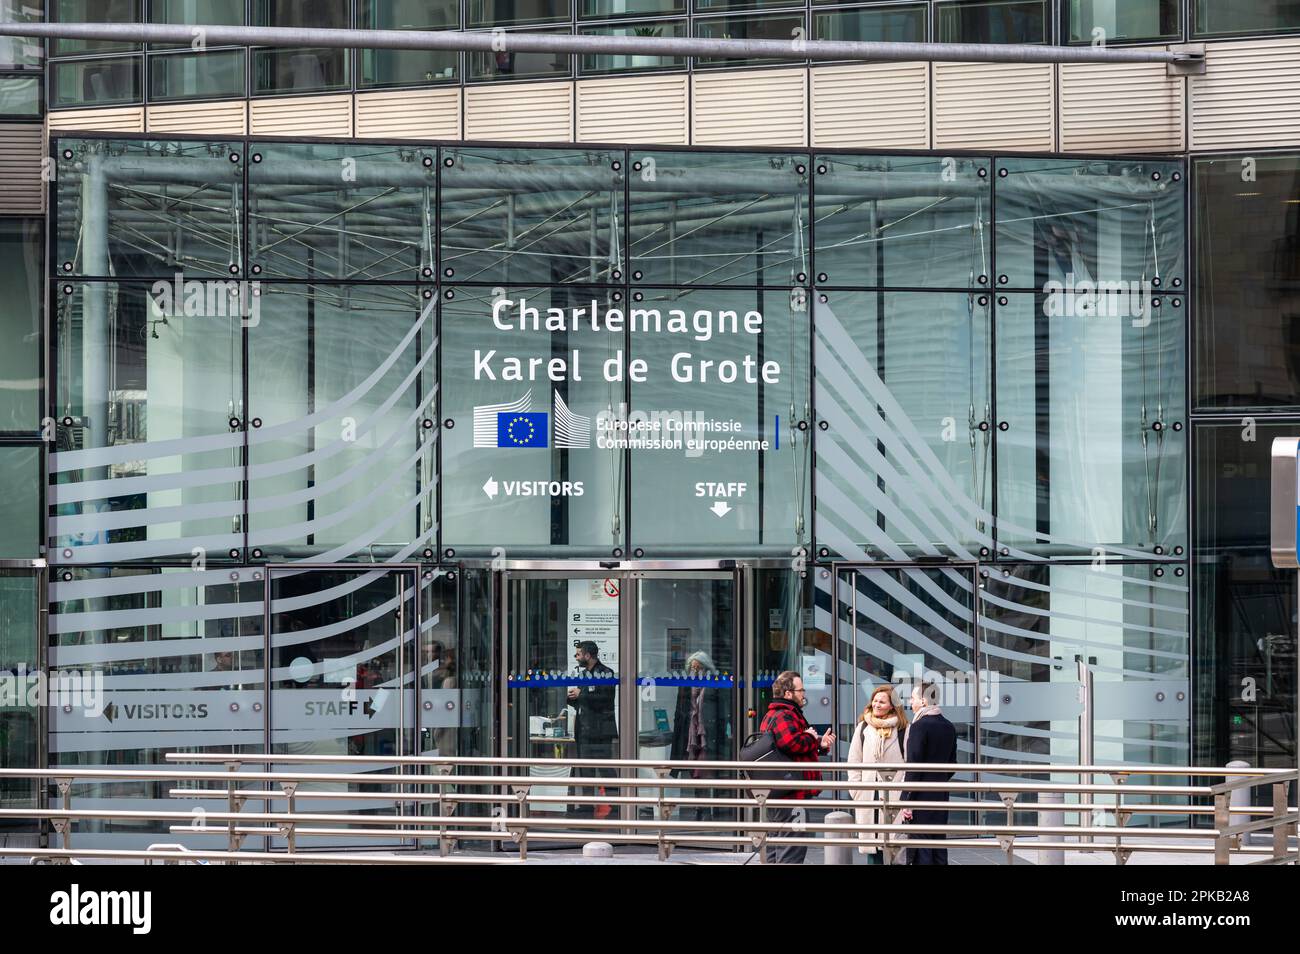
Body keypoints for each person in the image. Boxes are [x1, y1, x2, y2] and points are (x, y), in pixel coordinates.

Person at [758, 670, 835, 864]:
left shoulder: (777, 713)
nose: (804, 694)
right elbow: (792, 743)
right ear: (788, 693)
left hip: (781, 791)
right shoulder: (784, 715)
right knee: (791, 849)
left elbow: (794, 745)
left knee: (778, 846)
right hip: (792, 793)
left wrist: (819, 743)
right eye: (801, 690)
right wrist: (810, 737)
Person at [847, 684, 908, 864]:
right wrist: (856, 790)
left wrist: (903, 791)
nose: (877, 704)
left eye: (882, 701)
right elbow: (854, 760)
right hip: (868, 793)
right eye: (875, 700)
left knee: (894, 847)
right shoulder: (863, 727)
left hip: (894, 794)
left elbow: (909, 763)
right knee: (872, 847)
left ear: (892, 705)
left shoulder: (903, 729)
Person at [899, 681, 958, 865]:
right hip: (940, 793)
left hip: (920, 796)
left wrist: (905, 799)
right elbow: (952, 764)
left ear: (923, 701)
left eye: (913, 698)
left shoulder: (918, 726)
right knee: (938, 844)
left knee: (921, 847)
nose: (910, 701)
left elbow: (913, 766)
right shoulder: (948, 726)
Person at [670, 651, 730, 819]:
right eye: (692, 667)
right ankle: (697, 808)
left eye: (699, 667)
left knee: (704, 772)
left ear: (706, 668)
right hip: (690, 736)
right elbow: (679, 710)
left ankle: (708, 809)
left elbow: (722, 711)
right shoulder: (685, 685)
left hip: (706, 736)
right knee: (693, 772)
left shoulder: (713, 684)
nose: (695, 670)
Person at [567, 640, 618, 817]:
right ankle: (587, 805)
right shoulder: (583, 675)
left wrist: (583, 694)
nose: (577, 657)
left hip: (601, 729)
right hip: (584, 728)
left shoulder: (607, 673)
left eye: (578, 654)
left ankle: (617, 804)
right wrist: (573, 697)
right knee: (585, 769)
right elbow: (581, 700)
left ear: (588, 655)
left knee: (605, 768)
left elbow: (605, 699)